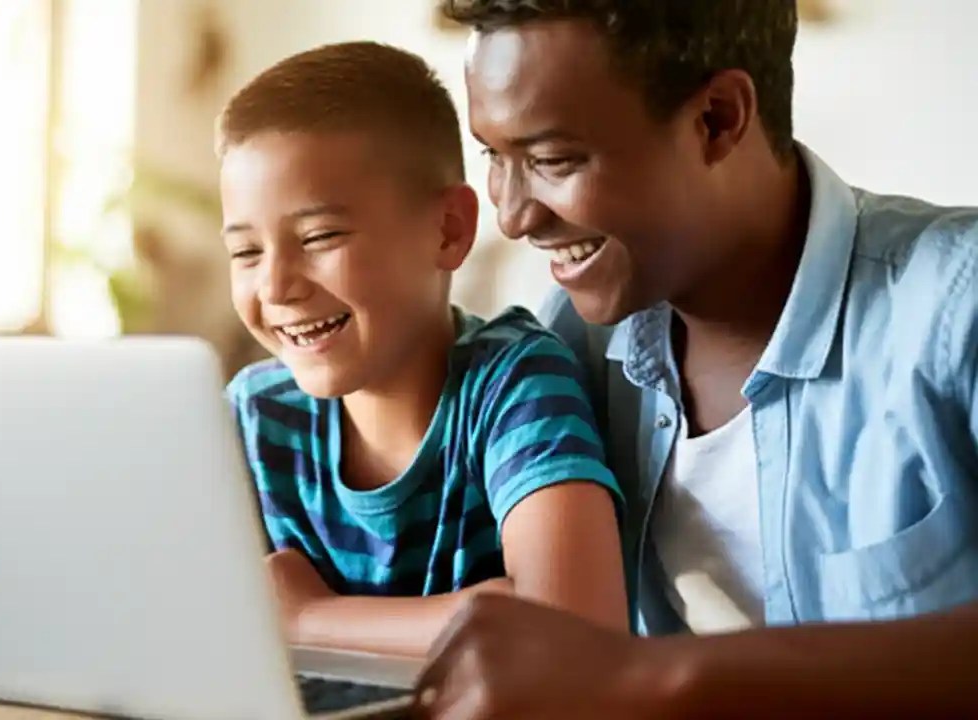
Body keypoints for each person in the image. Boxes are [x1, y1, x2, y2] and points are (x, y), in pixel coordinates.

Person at [412, 0, 978, 716]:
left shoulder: (956, 303)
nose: (514, 214)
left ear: (717, 119)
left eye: (553, 161)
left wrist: (662, 676)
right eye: (496, 157)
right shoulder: (572, 344)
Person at [217, 41, 628, 658]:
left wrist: (309, 617)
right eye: (246, 252)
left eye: (320, 236)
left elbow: (575, 622)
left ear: (448, 230)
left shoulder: (513, 383)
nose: (275, 286)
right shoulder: (254, 416)